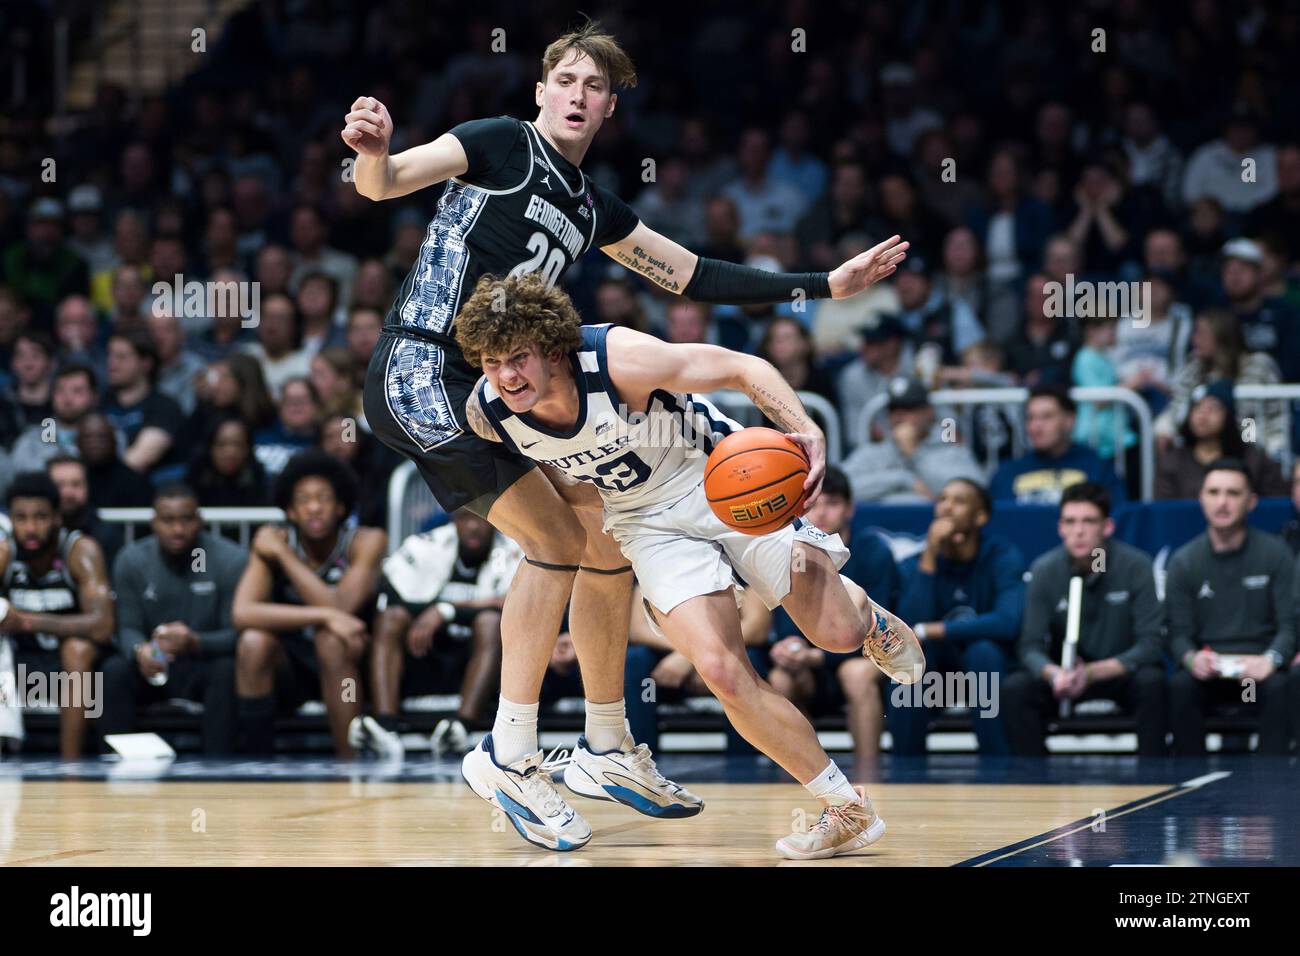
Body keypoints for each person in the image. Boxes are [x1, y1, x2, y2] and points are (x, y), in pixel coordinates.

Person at [344, 19, 909, 837]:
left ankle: (606, 740)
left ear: (610, 108)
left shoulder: (588, 204)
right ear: (541, 91)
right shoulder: (500, 141)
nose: (578, 96)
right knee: (556, 542)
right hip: (424, 368)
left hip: (506, 380)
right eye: (566, 80)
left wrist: (823, 284)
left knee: (603, 532)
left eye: (595, 87)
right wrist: (371, 150)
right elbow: (385, 182)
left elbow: (696, 273)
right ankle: (508, 752)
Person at [455, 272, 922, 858]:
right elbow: (551, 477)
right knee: (722, 671)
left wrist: (804, 431)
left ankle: (869, 621)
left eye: (518, 358)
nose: (506, 376)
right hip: (643, 524)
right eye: (492, 362)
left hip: (716, 480)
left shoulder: (619, 359)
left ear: (552, 348)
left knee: (835, 634)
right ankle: (844, 805)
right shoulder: (488, 412)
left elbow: (742, 367)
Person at [231, 450, 387, 758]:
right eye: (303, 500)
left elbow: (342, 607)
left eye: (324, 498)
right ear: (289, 510)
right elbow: (243, 612)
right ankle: (255, 763)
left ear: (341, 506)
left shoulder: (366, 541)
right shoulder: (274, 542)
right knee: (253, 642)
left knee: (331, 639)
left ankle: (349, 763)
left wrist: (286, 557)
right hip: (293, 663)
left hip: (354, 659)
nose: (314, 508)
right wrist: (325, 615)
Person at [1003, 482, 1166, 756]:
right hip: (1064, 678)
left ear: (1108, 527)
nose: (1078, 531)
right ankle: (1033, 780)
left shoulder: (1136, 565)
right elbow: (1029, 646)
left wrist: (1092, 673)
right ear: (1060, 528)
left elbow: (1150, 644)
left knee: (1153, 682)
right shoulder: (1045, 569)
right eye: (1070, 521)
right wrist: (1053, 673)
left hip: (1119, 674)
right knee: (1016, 689)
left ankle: (1155, 775)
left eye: (1089, 521)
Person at [766, 466, 899, 777]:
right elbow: (785, 618)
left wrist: (819, 655)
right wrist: (788, 646)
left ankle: (869, 772)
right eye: (813, 504)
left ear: (850, 508)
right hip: (811, 665)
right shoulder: (791, 550)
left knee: (855, 675)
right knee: (781, 677)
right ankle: (801, 775)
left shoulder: (873, 551)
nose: (822, 513)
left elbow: (878, 622)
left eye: (833, 503)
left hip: (862, 655)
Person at [358, 510, 522, 758]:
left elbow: (515, 603)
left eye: (480, 519)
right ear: (453, 520)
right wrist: (439, 612)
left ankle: (460, 728)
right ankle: (386, 726)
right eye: (465, 519)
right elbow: (390, 598)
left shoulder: (509, 549)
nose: (473, 527)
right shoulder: (429, 546)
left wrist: (445, 610)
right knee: (391, 618)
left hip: (484, 667)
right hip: (424, 653)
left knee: (490, 622)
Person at [99, 483, 247, 754]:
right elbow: (126, 627)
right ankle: (115, 761)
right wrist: (140, 650)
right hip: (152, 665)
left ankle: (220, 768)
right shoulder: (131, 560)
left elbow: (236, 633)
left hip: (205, 663)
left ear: (200, 520)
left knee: (227, 670)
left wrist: (195, 642)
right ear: (154, 523)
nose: (178, 530)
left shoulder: (231, 560)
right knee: (114, 670)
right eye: (168, 520)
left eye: (186, 519)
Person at [886, 478, 1025, 756]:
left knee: (983, 650)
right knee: (908, 660)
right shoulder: (916, 563)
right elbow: (908, 628)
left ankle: (996, 763)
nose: (946, 508)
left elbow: (1007, 622)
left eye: (958, 501)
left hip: (988, 671)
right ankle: (904, 768)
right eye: (942, 499)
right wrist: (929, 557)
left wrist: (938, 630)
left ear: (980, 517)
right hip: (938, 675)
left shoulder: (1001, 556)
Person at [1164, 460, 1295, 755]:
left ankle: (1270, 783)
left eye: (1233, 493)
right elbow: (1177, 634)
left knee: (1281, 685)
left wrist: (1271, 659)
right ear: (1201, 498)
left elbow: (1290, 625)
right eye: (1213, 492)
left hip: (1259, 670)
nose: (1222, 502)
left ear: (1251, 502)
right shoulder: (1183, 561)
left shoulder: (1276, 554)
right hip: (1210, 671)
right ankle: (1189, 781)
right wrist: (1190, 658)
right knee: (1181, 686)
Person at [0, 472, 114, 759]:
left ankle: (70, 766)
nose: (30, 528)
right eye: (20, 518)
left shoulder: (79, 551)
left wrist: (27, 621)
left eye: (40, 517)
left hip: (76, 671)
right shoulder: (5, 554)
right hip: (18, 665)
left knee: (78, 649)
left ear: (56, 518)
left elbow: (102, 625)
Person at [840, 377, 984, 503]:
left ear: (929, 412)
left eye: (909, 409)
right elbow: (838, 488)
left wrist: (914, 453)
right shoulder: (874, 452)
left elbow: (972, 493)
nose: (899, 416)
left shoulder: (950, 450)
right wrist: (902, 479)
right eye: (893, 410)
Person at [990, 383, 1126, 506]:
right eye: (1031, 418)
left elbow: (1116, 520)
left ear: (1069, 420)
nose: (1035, 427)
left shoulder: (1098, 468)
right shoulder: (1007, 472)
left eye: (1046, 417)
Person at [1156, 380, 1286, 500]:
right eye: (1197, 408)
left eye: (1212, 408)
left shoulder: (1253, 459)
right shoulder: (1174, 460)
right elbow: (1164, 510)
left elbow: (1274, 504)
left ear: (1228, 416)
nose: (1203, 415)